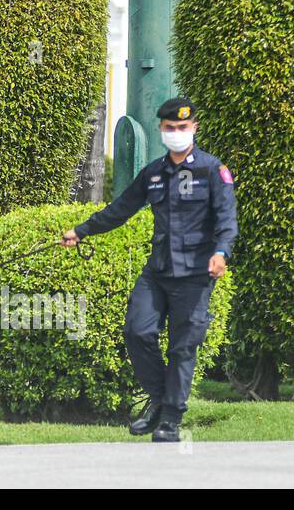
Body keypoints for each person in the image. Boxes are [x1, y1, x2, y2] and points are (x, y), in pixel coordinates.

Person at [60, 97, 236, 442]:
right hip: (158, 271)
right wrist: (81, 230)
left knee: (182, 347)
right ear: (161, 130)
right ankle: (159, 400)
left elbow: (227, 220)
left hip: (196, 274)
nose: (176, 133)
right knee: (137, 332)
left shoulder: (212, 171)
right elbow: (120, 209)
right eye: (170, 128)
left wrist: (221, 253)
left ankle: (170, 420)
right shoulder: (154, 172)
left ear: (194, 128)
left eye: (182, 128)